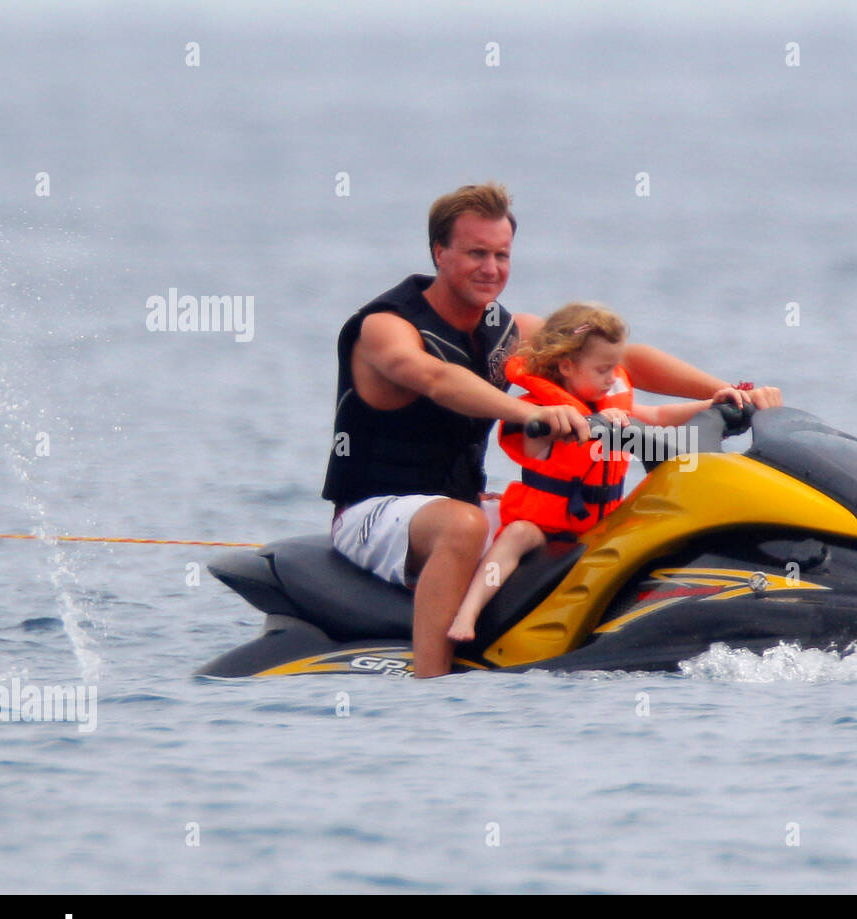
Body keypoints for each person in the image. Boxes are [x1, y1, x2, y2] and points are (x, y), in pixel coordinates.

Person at [321, 181, 782, 678]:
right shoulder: (386, 327)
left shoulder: (510, 329)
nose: (491, 268)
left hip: (465, 502)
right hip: (374, 511)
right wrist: (528, 414)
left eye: (501, 254)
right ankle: (433, 689)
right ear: (439, 252)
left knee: (599, 529)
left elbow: (619, 358)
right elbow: (437, 378)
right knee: (464, 525)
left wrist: (729, 392)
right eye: (476, 253)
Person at [446, 303, 738, 642]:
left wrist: (714, 404)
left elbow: (658, 414)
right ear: (567, 366)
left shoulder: (610, 404)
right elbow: (533, 443)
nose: (613, 378)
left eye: (615, 368)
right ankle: (467, 615)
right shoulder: (537, 411)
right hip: (544, 524)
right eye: (603, 369)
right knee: (516, 536)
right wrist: (576, 424)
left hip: (602, 523)